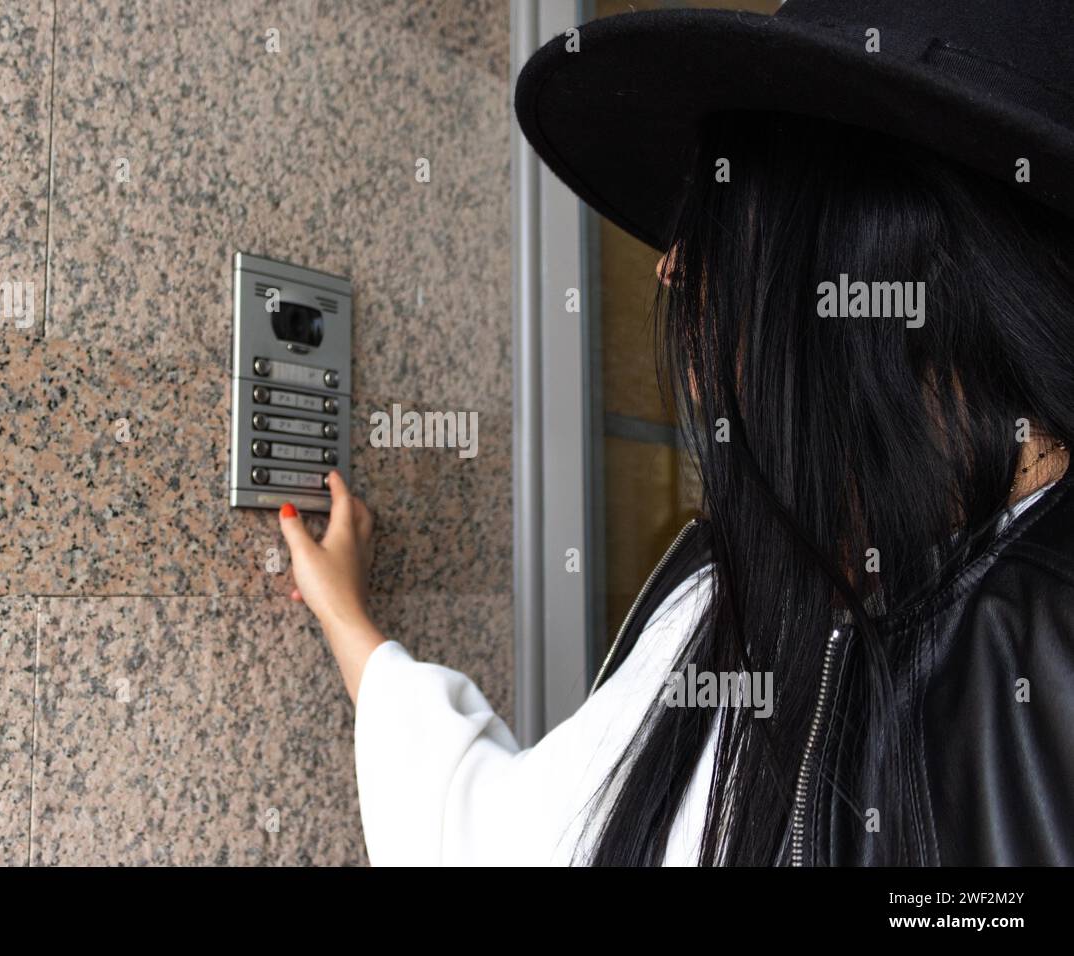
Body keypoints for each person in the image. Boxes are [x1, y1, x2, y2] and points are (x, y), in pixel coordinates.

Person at [278, 0, 1074, 865]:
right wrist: (350, 621)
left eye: (726, 204)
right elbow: (510, 835)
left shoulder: (1042, 664)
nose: (673, 262)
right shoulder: (722, 593)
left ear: (885, 242)